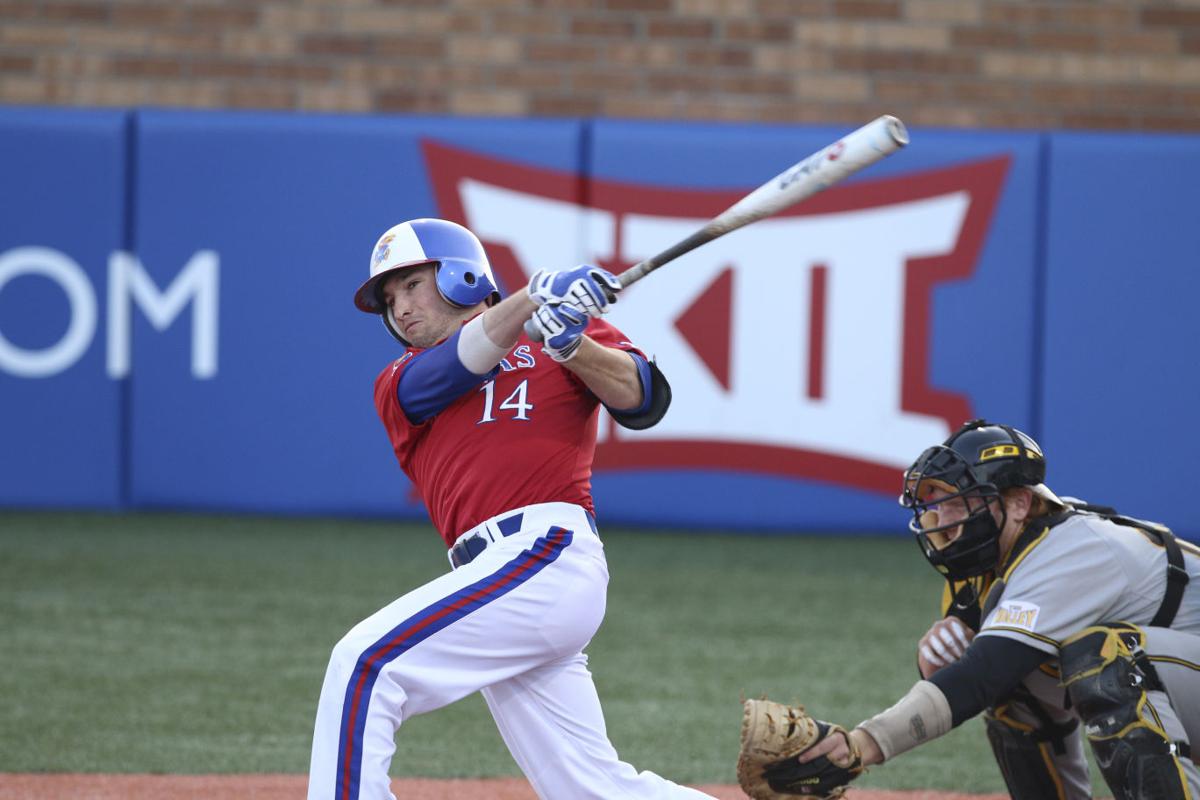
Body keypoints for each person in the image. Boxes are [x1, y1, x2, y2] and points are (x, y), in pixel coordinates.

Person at [307, 217, 715, 800]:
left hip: (545, 553)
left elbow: (643, 400)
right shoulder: (401, 380)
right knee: (589, 788)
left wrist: (572, 346)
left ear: (462, 276)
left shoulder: (560, 332)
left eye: (412, 285)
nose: (400, 308)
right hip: (496, 576)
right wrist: (533, 297)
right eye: (390, 300)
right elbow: (462, 361)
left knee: (364, 664)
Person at [738, 419, 1200, 800]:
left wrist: (857, 746)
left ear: (1018, 504)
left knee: (1108, 659)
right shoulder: (990, 564)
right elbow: (971, 672)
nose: (941, 518)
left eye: (958, 501)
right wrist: (940, 652)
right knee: (1016, 690)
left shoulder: (1071, 552)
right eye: (936, 503)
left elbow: (977, 677)